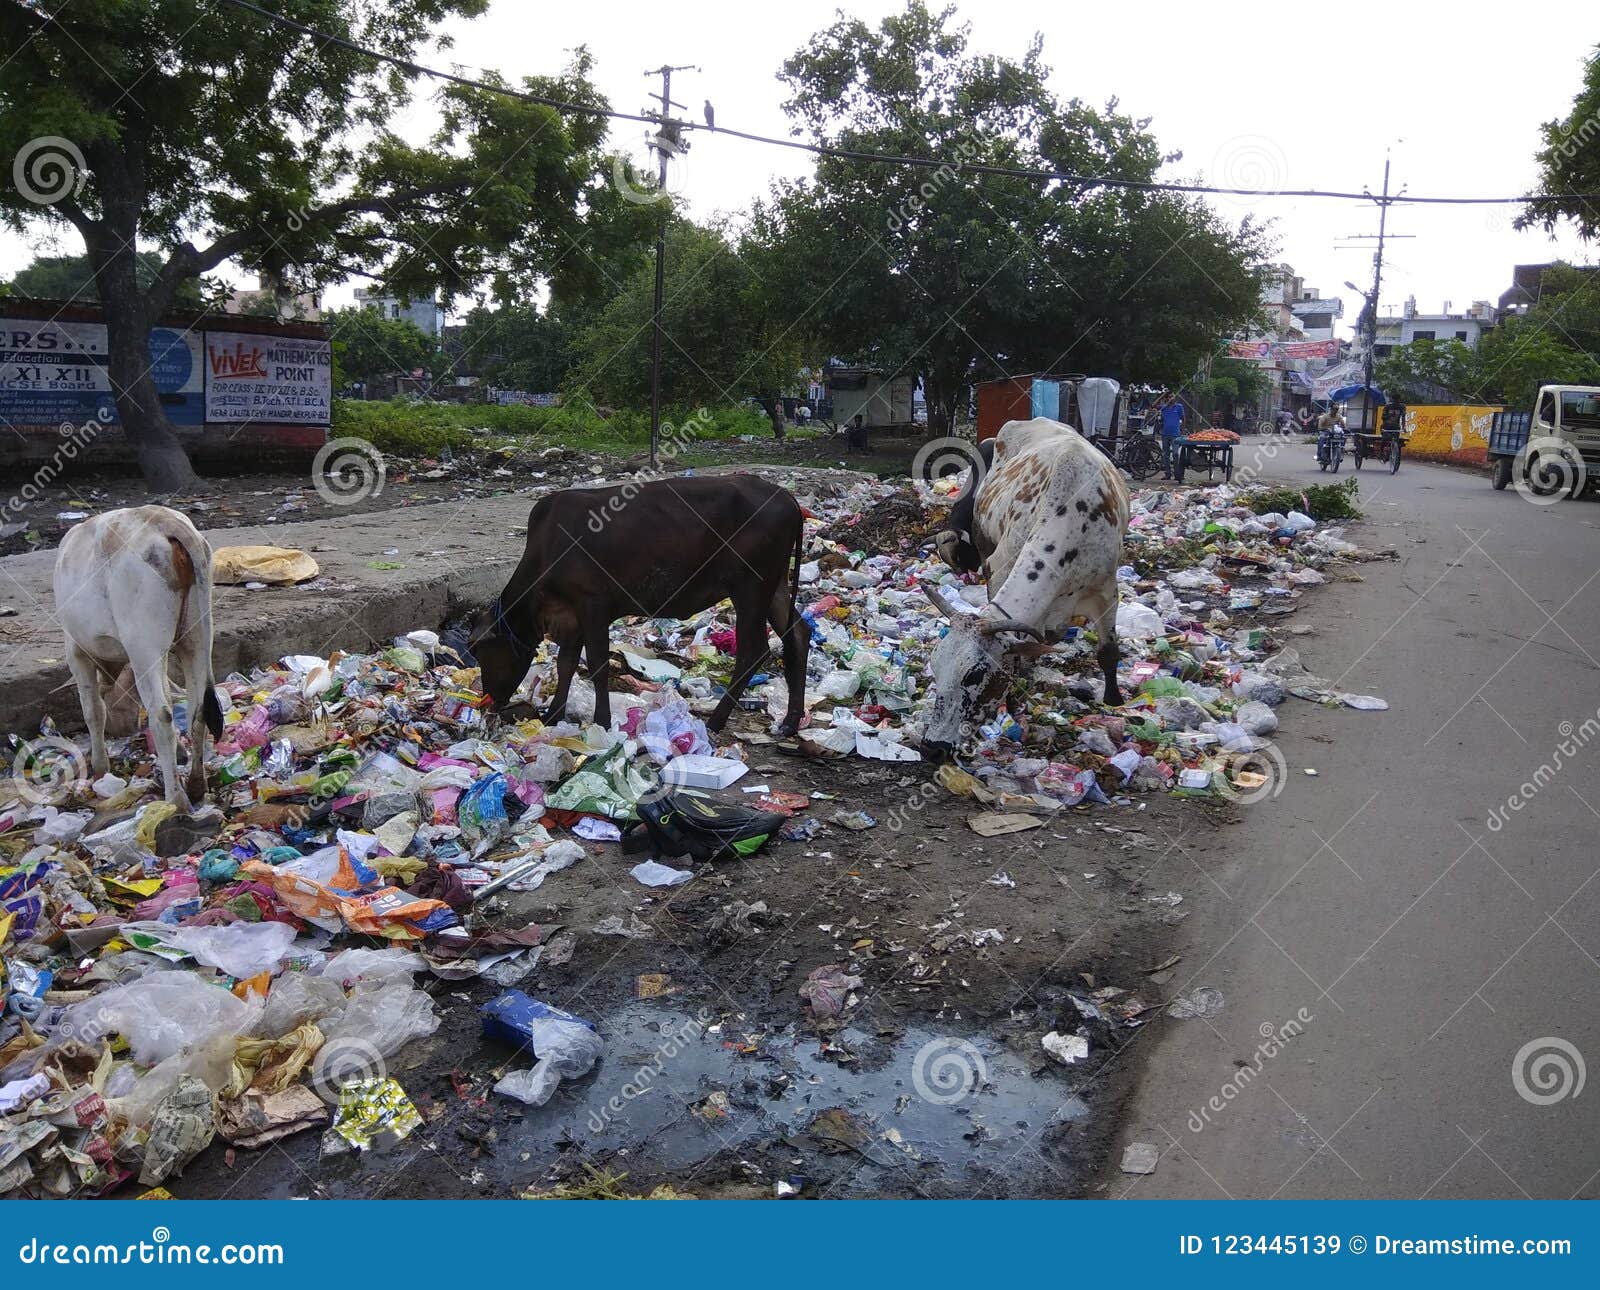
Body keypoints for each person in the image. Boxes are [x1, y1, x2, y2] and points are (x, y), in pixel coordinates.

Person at [1159, 395, 1185, 479]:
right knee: (1165, 454)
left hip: (1175, 434)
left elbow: (1183, 418)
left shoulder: (1179, 407)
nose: (1170, 398)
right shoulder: (1164, 408)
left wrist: (1182, 430)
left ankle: (1177, 474)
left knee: (1175, 453)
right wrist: (1163, 395)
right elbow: (1153, 406)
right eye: (1168, 397)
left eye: (1172, 397)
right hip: (1165, 433)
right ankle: (1168, 474)